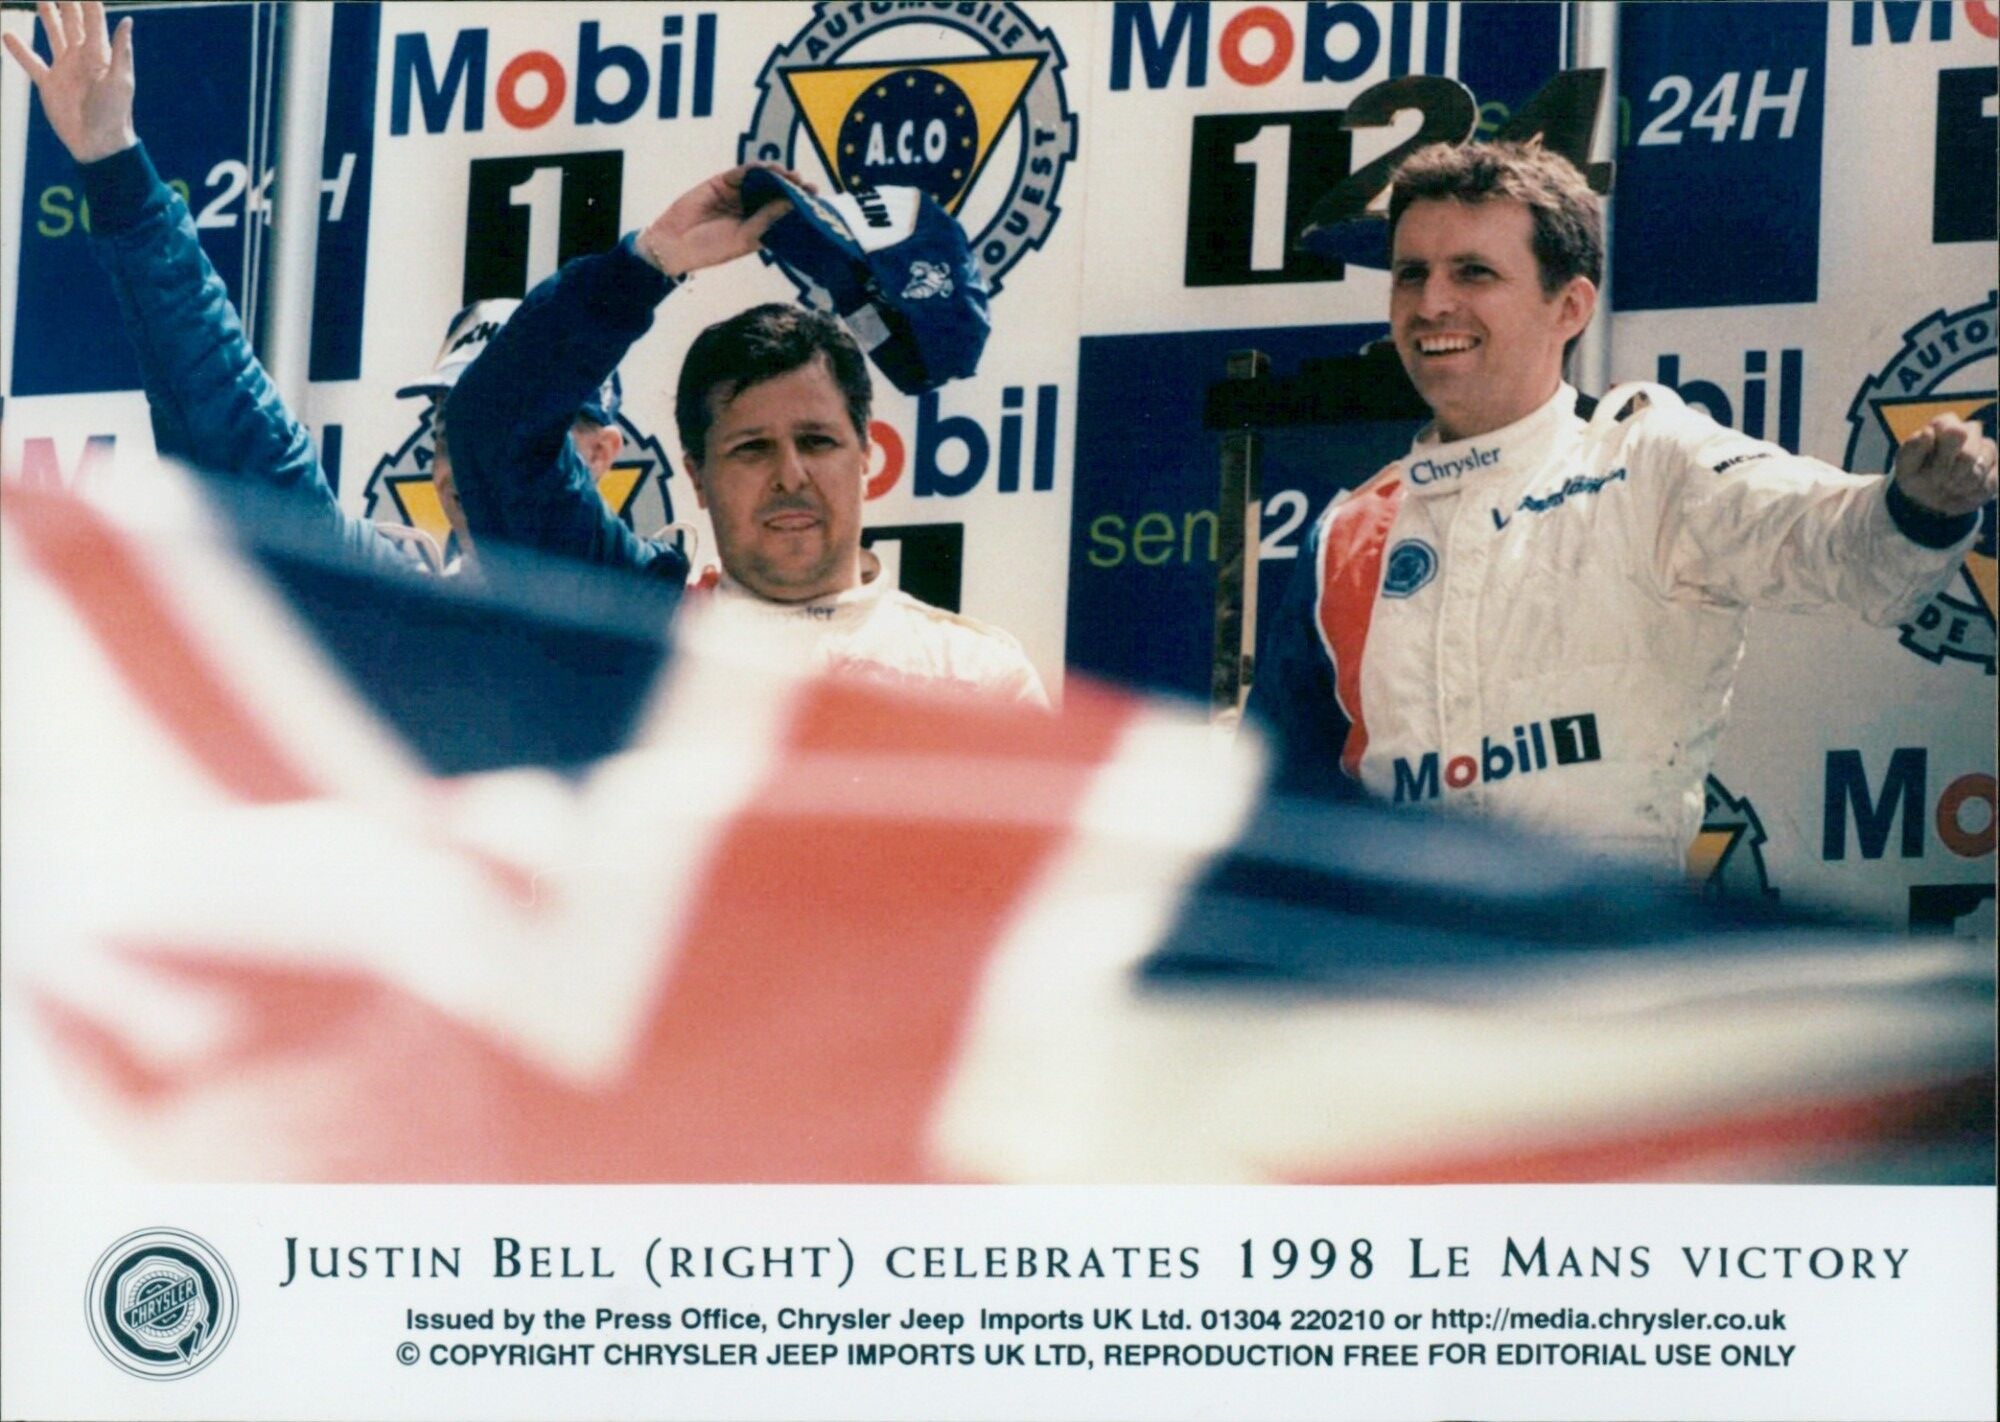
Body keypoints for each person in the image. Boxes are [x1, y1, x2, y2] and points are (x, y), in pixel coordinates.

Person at [1248, 140, 1996, 869]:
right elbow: (1277, 812)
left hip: (1599, 971)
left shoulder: (1650, 464)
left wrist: (1922, 505)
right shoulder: (1347, 532)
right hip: (1405, 974)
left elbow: (1842, 546)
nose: (1433, 302)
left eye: (1474, 272)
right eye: (1411, 275)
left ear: (1569, 306)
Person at [4, 1, 624, 579]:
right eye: (449, 431)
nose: (466, 458)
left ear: (598, 454)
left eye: (509, 431)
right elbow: (234, 420)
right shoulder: (393, 603)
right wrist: (114, 165)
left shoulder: (678, 622)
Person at [444, 168, 1048, 704]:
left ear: (867, 454)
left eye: (817, 441)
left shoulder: (976, 679)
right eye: (751, 448)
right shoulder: (631, 628)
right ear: (698, 477)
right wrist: (647, 263)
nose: (790, 475)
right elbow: (492, 426)